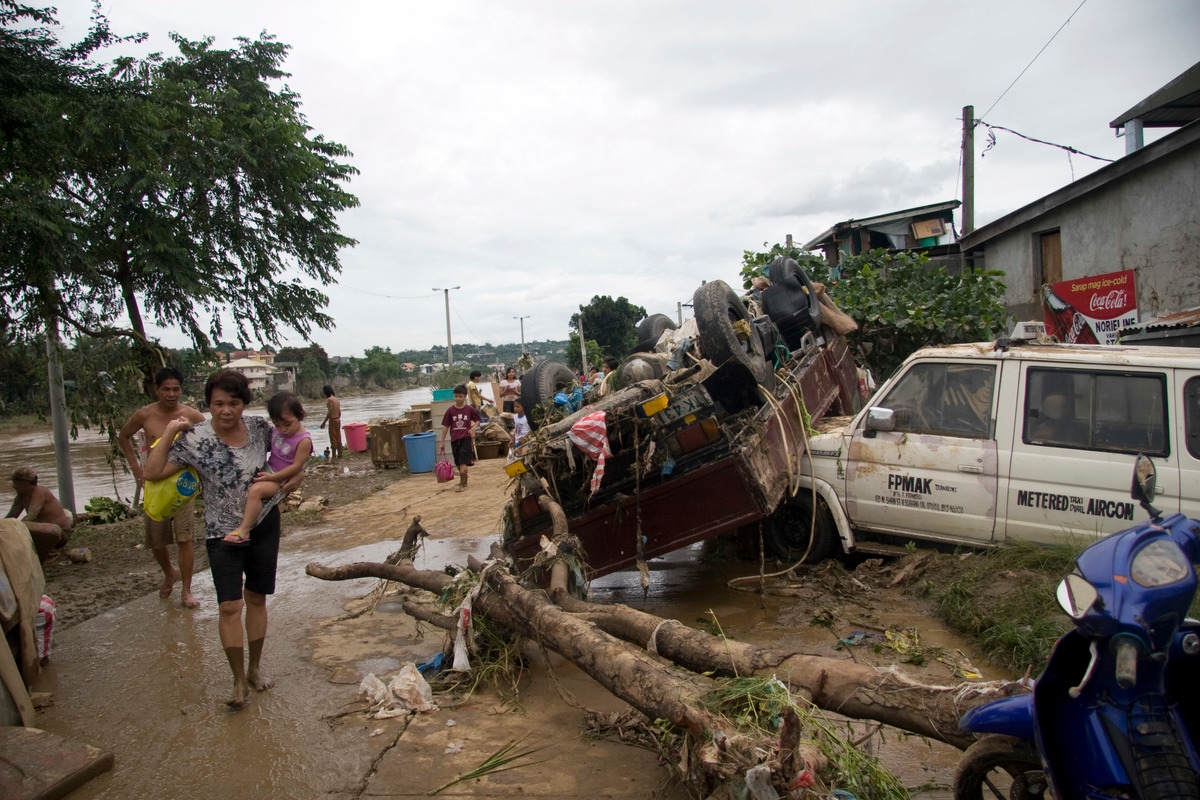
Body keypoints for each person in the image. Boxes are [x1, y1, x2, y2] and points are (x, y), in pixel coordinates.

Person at [144, 369, 302, 709]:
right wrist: (171, 430)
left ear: (244, 403)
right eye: (218, 404)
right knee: (229, 605)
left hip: (263, 524)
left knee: (257, 597)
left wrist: (298, 476)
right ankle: (236, 680)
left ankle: (254, 669)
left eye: (233, 403)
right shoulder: (194, 438)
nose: (226, 410)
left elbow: (295, 447)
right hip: (221, 532)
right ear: (209, 405)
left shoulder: (262, 428)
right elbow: (152, 472)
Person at [118, 366, 207, 607]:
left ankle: (186, 591)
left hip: (183, 485)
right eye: (166, 389)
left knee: (184, 538)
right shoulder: (144, 415)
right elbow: (123, 436)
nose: (171, 394)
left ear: (181, 390)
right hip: (155, 484)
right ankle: (169, 571)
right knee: (156, 540)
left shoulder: (193, 416)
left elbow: (209, 440)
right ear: (156, 390)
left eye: (176, 389)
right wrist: (136, 468)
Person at [224, 392, 313, 544]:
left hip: (281, 478)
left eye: (287, 424)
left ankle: (244, 529)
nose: (283, 430)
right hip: (270, 470)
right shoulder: (275, 430)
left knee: (256, 491)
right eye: (278, 424)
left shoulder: (303, 441)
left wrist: (273, 477)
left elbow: (297, 466)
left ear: (301, 415)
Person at [6, 468, 73, 564]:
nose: (13, 486)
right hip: (44, 531)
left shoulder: (39, 492)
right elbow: (10, 517)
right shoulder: (21, 497)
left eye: (15, 483)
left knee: (25, 526)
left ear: (24, 483)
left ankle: (51, 552)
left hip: (59, 534)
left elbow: (31, 516)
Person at [439, 384, 480, 493]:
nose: (458, 399)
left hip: (465, 439)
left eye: (460, 396)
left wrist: (473, 429)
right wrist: (442, 441)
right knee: (457, 462)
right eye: (456, 396)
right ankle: (464, 479)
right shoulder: (450, 411)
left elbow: (477, 420)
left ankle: (462, 485)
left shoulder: (469, 409)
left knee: (463, 462)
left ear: (465, 397)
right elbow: (445, 427)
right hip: (454, 440)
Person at [319, 385, 343, 461]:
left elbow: (329, 412)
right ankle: (340, 455)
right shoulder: (336, 399)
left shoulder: (329, 400)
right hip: (338, 419)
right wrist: (338, 418)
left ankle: (334, 456)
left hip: (332, 420)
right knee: (338, 437)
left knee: (333, 438)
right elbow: (339, 412)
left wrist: (324, 422)